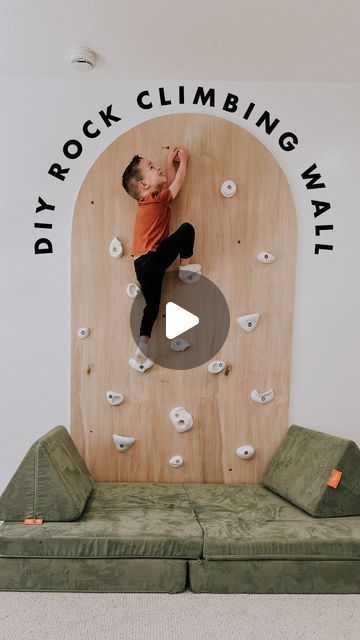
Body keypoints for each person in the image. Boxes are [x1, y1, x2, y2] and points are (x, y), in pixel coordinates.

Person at [121, 146, 201, 372]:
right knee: (186, 229)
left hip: (140, 265)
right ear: (144, 186)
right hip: (153, 260)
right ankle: (185, 270)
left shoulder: (149, 201)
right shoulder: (156, 200)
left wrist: (169, 161)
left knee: (152, 306)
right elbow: (177, 184)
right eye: (152, 168)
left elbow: (169, 183)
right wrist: (183, 161)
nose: (158, 169)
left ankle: (142, 346)